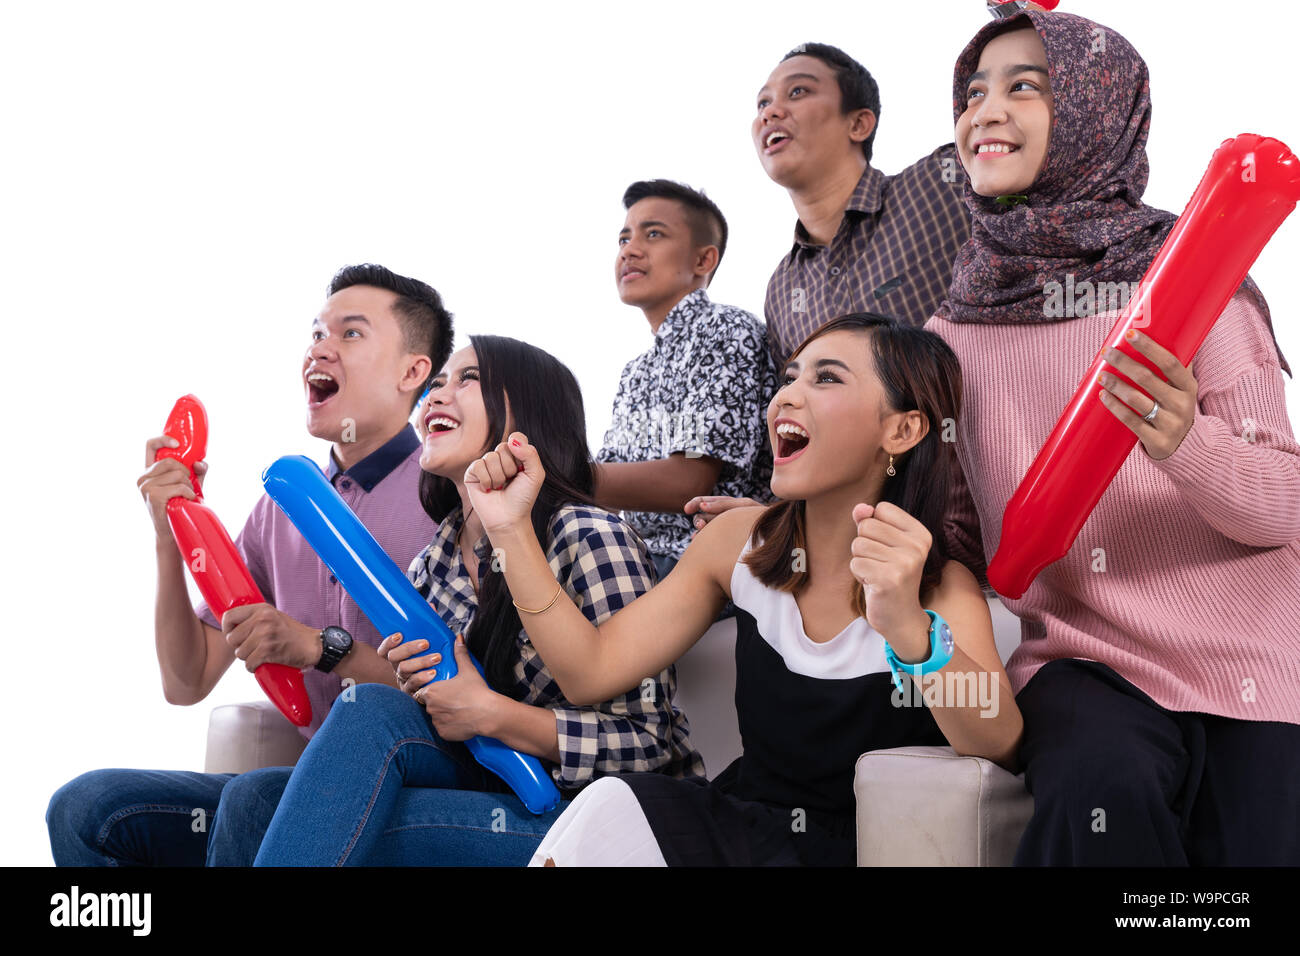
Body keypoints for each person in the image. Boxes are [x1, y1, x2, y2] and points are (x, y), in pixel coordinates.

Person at [926, 8, 1300, 865]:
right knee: (1100, 789)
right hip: (1086, 661)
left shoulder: (1202, 285)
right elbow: (957, 535)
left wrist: (1184, 446)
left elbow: (1286, 505)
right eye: (972, 91)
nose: (985, 109)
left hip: (1256, 661)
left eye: (1027, 85)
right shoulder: (954, 328)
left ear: (1101, 110)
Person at [462, 315, 1023, 866]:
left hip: (863, 850)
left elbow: (999, 743)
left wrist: (907, 626)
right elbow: (590, 670)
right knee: (610, 807)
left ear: (901, 431)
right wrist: (511, 528)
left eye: (825, 379)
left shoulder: (937, 583)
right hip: (736, 827)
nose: (787, 397)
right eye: (790, 378)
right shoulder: (739, 542)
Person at [46, 264, 453, 866]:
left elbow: (467, 689)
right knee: (87, 809)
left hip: (424, 778)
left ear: (412, 372)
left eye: (350, 333)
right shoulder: (280, 505)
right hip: (307, 788)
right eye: (317, 332)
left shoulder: (448, 493)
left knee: (254, 799)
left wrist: (319, 645)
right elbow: (186, 682)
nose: (321, 347)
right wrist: (170, 535)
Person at [252, 336, 703, 866]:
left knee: (365, 753)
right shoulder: (431, 565)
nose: (438, 393)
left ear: (528, 415)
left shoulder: (587, 538)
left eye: (469, 378)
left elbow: (649, 745)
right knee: (251, 799)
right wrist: (424, 695)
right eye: (437, 382)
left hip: (605, 822)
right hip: (497, 792)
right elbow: (445, 724)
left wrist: (492, 715)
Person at [594, 179, 777, 580]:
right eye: (623, 238)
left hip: (712, 558)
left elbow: (690, 482)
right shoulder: (635, 372)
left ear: (703, 260)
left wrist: (560, 472)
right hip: (639, 560)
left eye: (653, 233)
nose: (630, 249)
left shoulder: (727, 329)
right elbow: (604, 487)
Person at [755, 41, 972, 366]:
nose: (769, 112)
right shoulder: (781, 291)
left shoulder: (943, 181)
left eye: (798, 91)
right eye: (763, 102)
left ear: (858, 124)